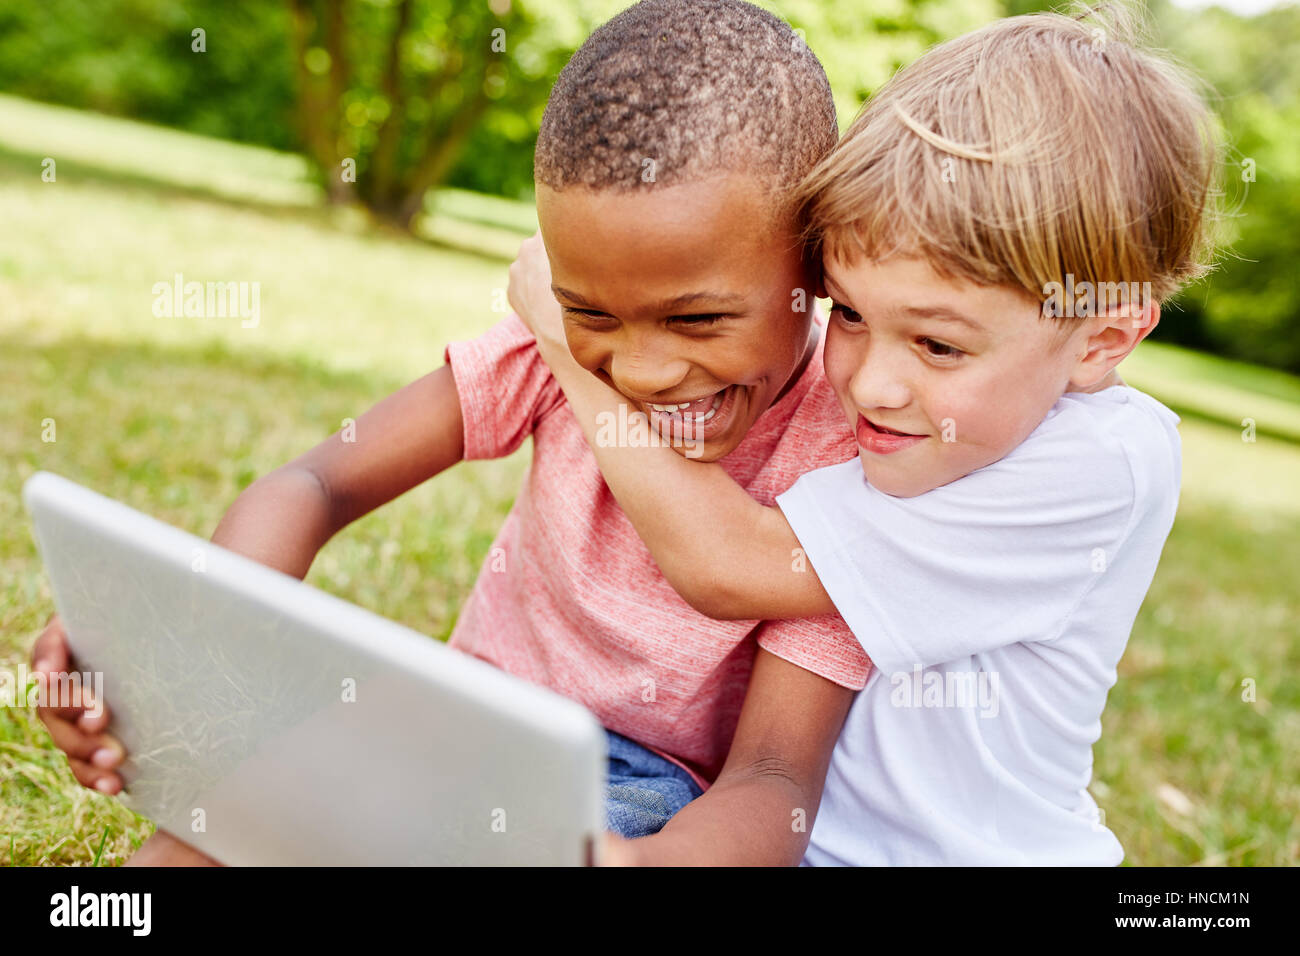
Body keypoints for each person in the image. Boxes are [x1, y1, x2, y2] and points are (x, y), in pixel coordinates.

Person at [32, 0, 871, 865]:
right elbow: (317, 486)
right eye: (587, 313)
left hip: (629, 796)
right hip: (446, 719)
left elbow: (772, 778)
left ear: (819, 260)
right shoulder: (545, 351)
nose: (640, 369)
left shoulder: (857, 457)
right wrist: (186, 646)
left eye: (697, 320)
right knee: (212, 835)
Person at [508, 6, 1219, 864]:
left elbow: (728, 567)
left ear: (1102, 339)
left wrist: (570, 346)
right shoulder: (916, 436)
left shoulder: (1101, 463)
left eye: (938, 343)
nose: (869, 384)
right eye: (847, 311)